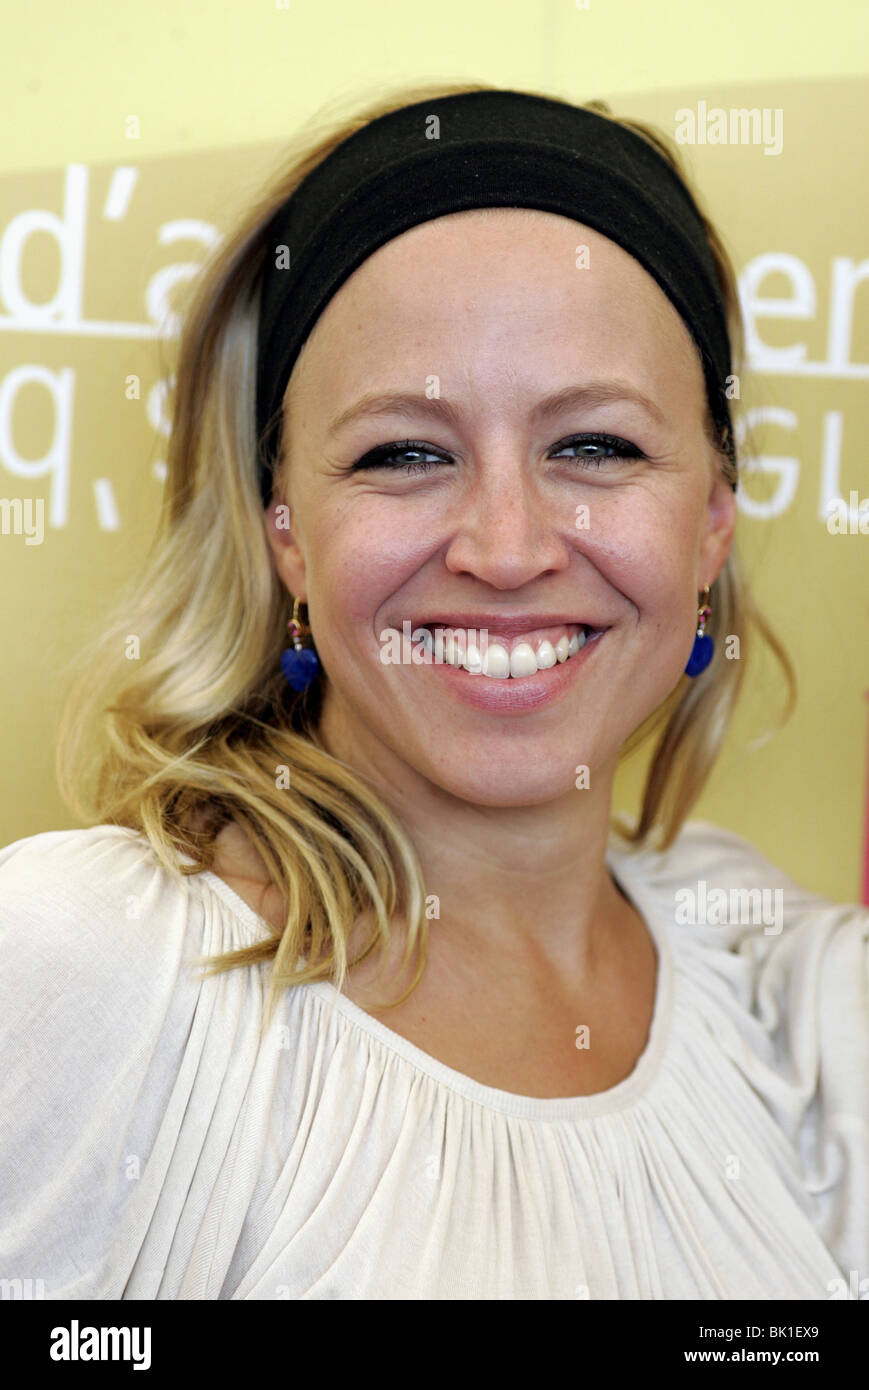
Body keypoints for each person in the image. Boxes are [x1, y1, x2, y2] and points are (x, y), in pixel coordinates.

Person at [1, 81, 866, 1302]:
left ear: (710, 524)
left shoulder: (791, 998)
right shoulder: (83, 962)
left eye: (595, 446)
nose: (505, 549)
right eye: (403, 453)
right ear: (285, 534)